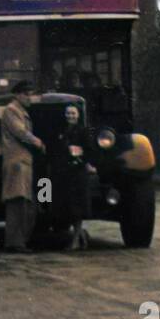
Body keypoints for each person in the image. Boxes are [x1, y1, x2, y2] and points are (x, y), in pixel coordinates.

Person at [1, 80, 45, 253]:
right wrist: (37, 142)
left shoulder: (19, 110)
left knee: (25, 202)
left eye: (31, 93)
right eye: (26, 94)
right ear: (17, 95)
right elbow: (20, 132)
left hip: (24, 162)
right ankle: (15, 243)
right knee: (17, 202)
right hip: (17, 162)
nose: (30, 97)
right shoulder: (12, 110)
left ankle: (20, 241)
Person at [58, 105, 95, 251]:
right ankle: (80, 237)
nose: (70, 116)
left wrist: (82, 159)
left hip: (78, 173)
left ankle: (75, 240)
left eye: (73, 113)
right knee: (70, 207)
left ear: (78, 115)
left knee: (77, 208)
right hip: (66, 173)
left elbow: (88, 150)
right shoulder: (62, 131)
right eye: (68, 113)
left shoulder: (83, 131)